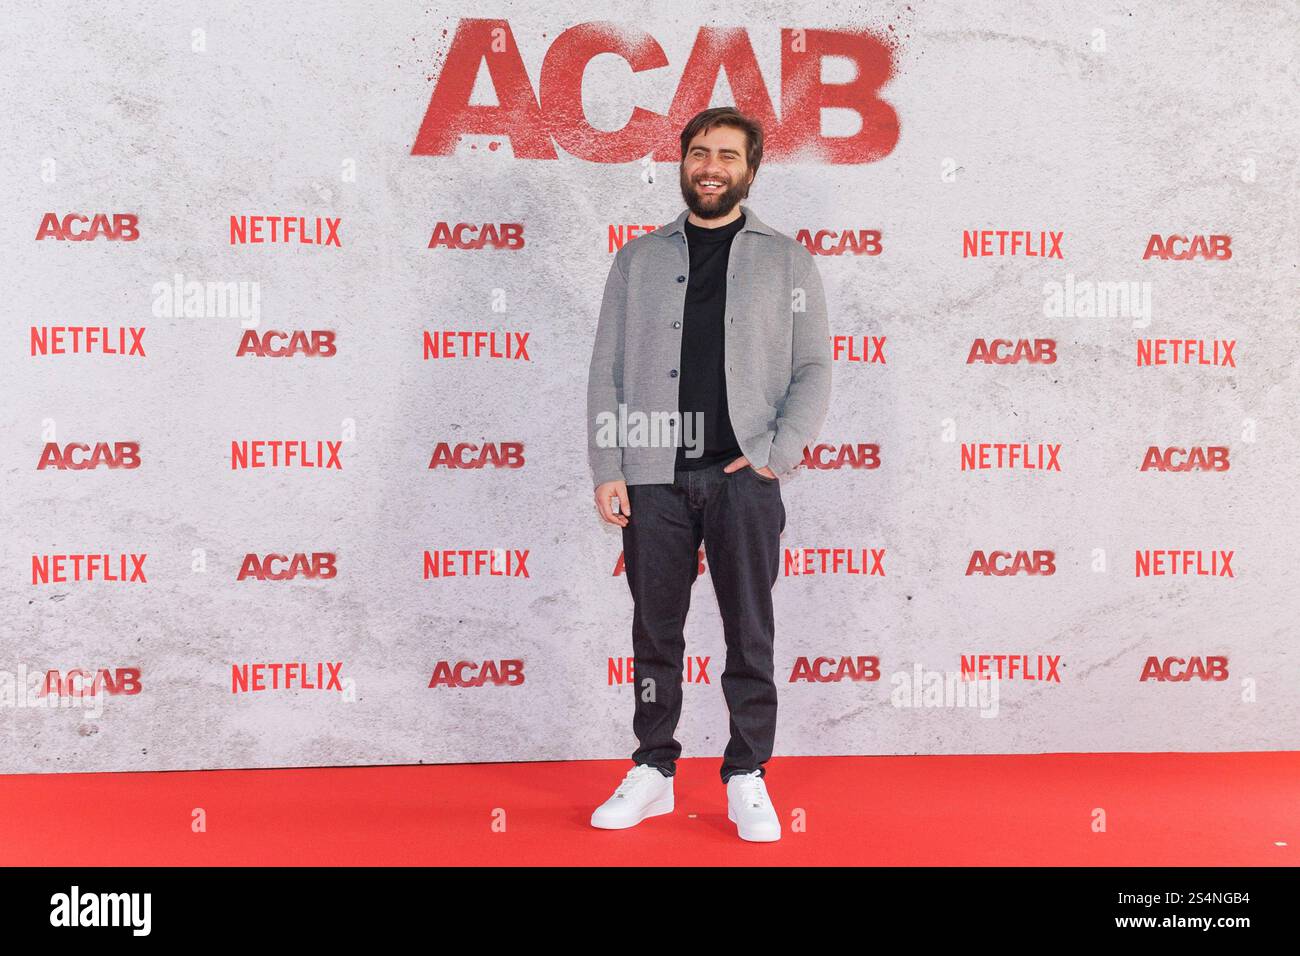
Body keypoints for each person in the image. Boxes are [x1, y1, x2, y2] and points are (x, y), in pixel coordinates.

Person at [585, 106, 832, 842]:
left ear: (750, 169)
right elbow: (606, 370)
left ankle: (748, 772)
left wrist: (773, 455)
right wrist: (609, 464)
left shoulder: (789, 261)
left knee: (748, 631)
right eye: (700, 152)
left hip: (742, 481)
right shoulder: (638, 259)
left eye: (728, 154)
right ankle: (653, 769)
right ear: (683, 162)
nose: (712, 166)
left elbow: (813, 367)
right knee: (654, 632)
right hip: (653, 475)